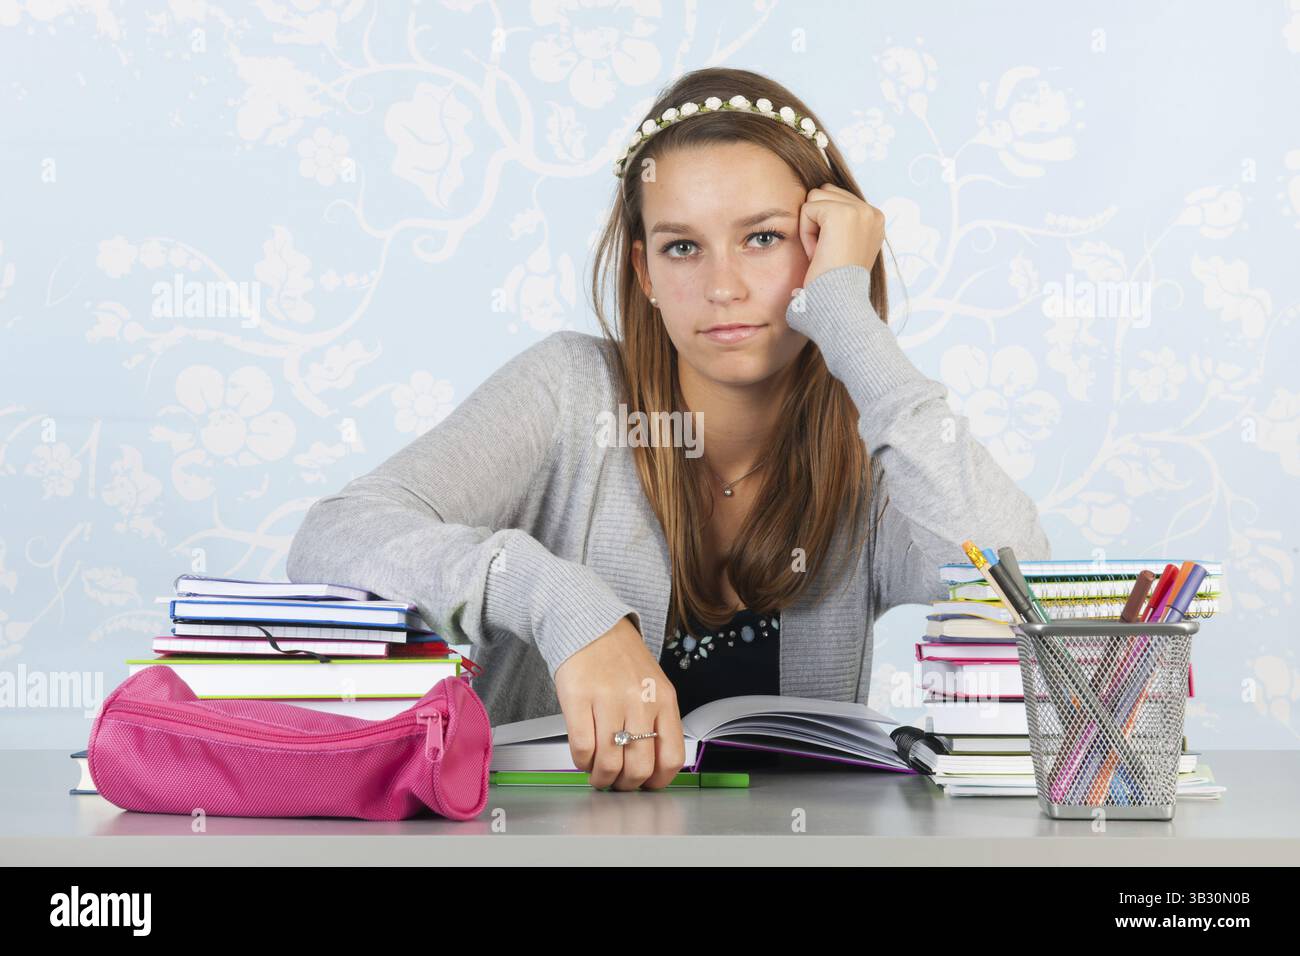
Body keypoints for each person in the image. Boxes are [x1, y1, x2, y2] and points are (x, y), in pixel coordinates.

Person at [286, 66, 1051, 793]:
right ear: (645, 272)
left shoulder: (877, 452)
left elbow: (1013, 580)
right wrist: (556, 600)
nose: (722, 286)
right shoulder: (566, 392)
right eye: (683, 246)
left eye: (763, 238)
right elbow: (334, 536)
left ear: (822, 247)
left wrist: (848, 316)